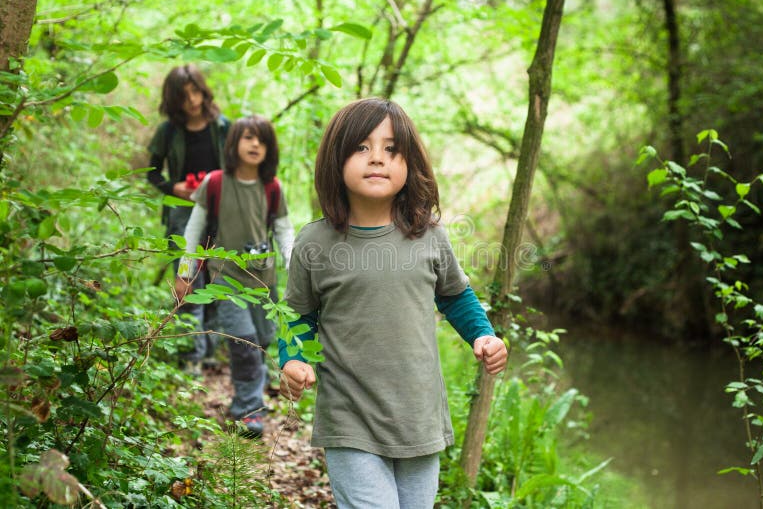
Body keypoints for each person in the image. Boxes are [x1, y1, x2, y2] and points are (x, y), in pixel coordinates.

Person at [278, 98, 508, 508]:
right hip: (351, 418)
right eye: (362, 148)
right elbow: (299, 315)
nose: (377, 159)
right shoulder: (315, 242)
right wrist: (292, 360)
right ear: (336, 159)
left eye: (391, 149)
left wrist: (484, 336)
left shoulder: (430, 236)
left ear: (410, 162)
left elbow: (455, 295)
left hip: (419, 418)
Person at [174, 115, 295, 437]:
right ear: (234, 143)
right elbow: (193, 231)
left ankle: (251, 388)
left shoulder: (272, 187)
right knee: (245, 342)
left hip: (264, 281)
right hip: (225, 280)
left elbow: (283, 233)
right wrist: (185, 274)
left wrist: (296, 269)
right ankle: (248, 410)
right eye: (249, 138)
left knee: (264, 338)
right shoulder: (214, 183)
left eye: (263, 140)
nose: (256, 145)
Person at [146, 64, 230, 376]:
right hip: (183, 211)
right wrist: (174, 187)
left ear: (203, 90)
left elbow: (239, 168)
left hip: (220, 209)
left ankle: (208, 349)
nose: (192, 100)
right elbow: (151, 173)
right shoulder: (168, 131)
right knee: (188, 278)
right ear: (173, 100)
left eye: (195, 91)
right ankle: (189, 352)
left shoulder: (222, 127)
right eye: (184, 96)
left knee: (219, 274)